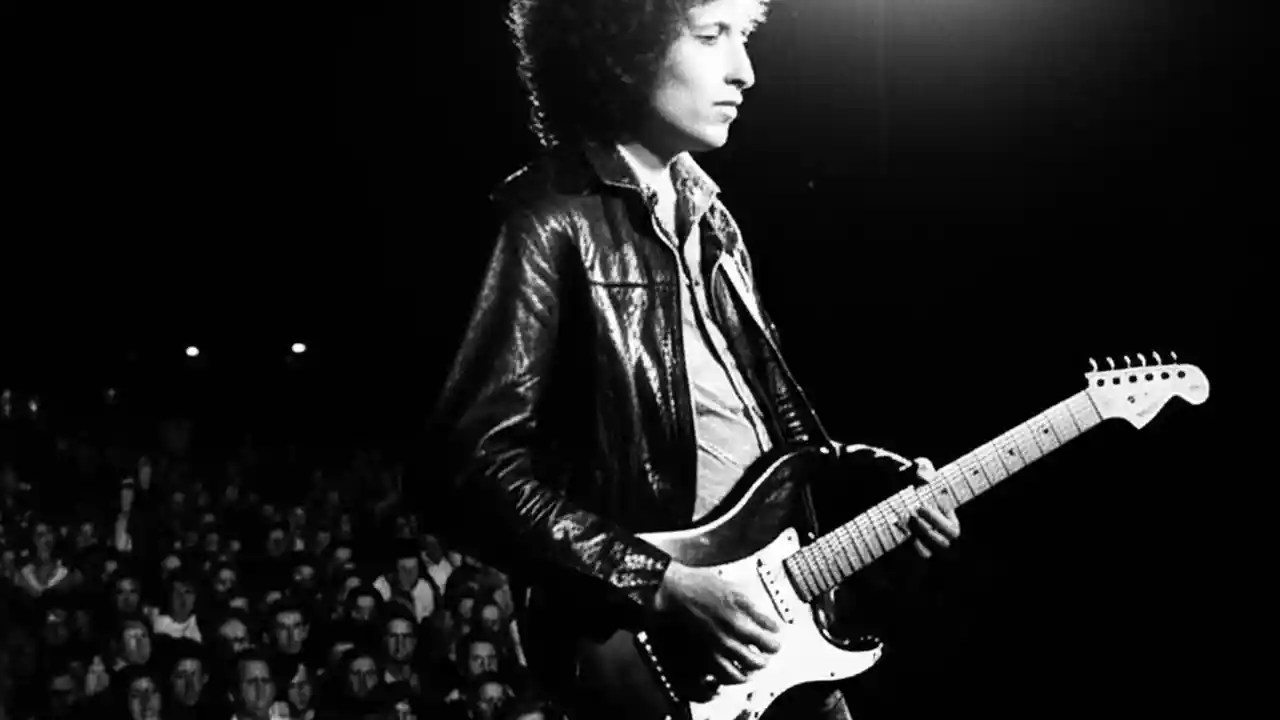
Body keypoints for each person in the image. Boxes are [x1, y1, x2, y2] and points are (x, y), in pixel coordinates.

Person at [429, 1, 961, 718]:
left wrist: (883, 486)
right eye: (712, 36)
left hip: (778, 644)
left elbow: (778, 447)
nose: (745, 71)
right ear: (621, 47)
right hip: (654, 660)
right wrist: (660, 582)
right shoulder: (543, 219)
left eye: (745, 37)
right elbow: (465, 472)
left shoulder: (715, 223)